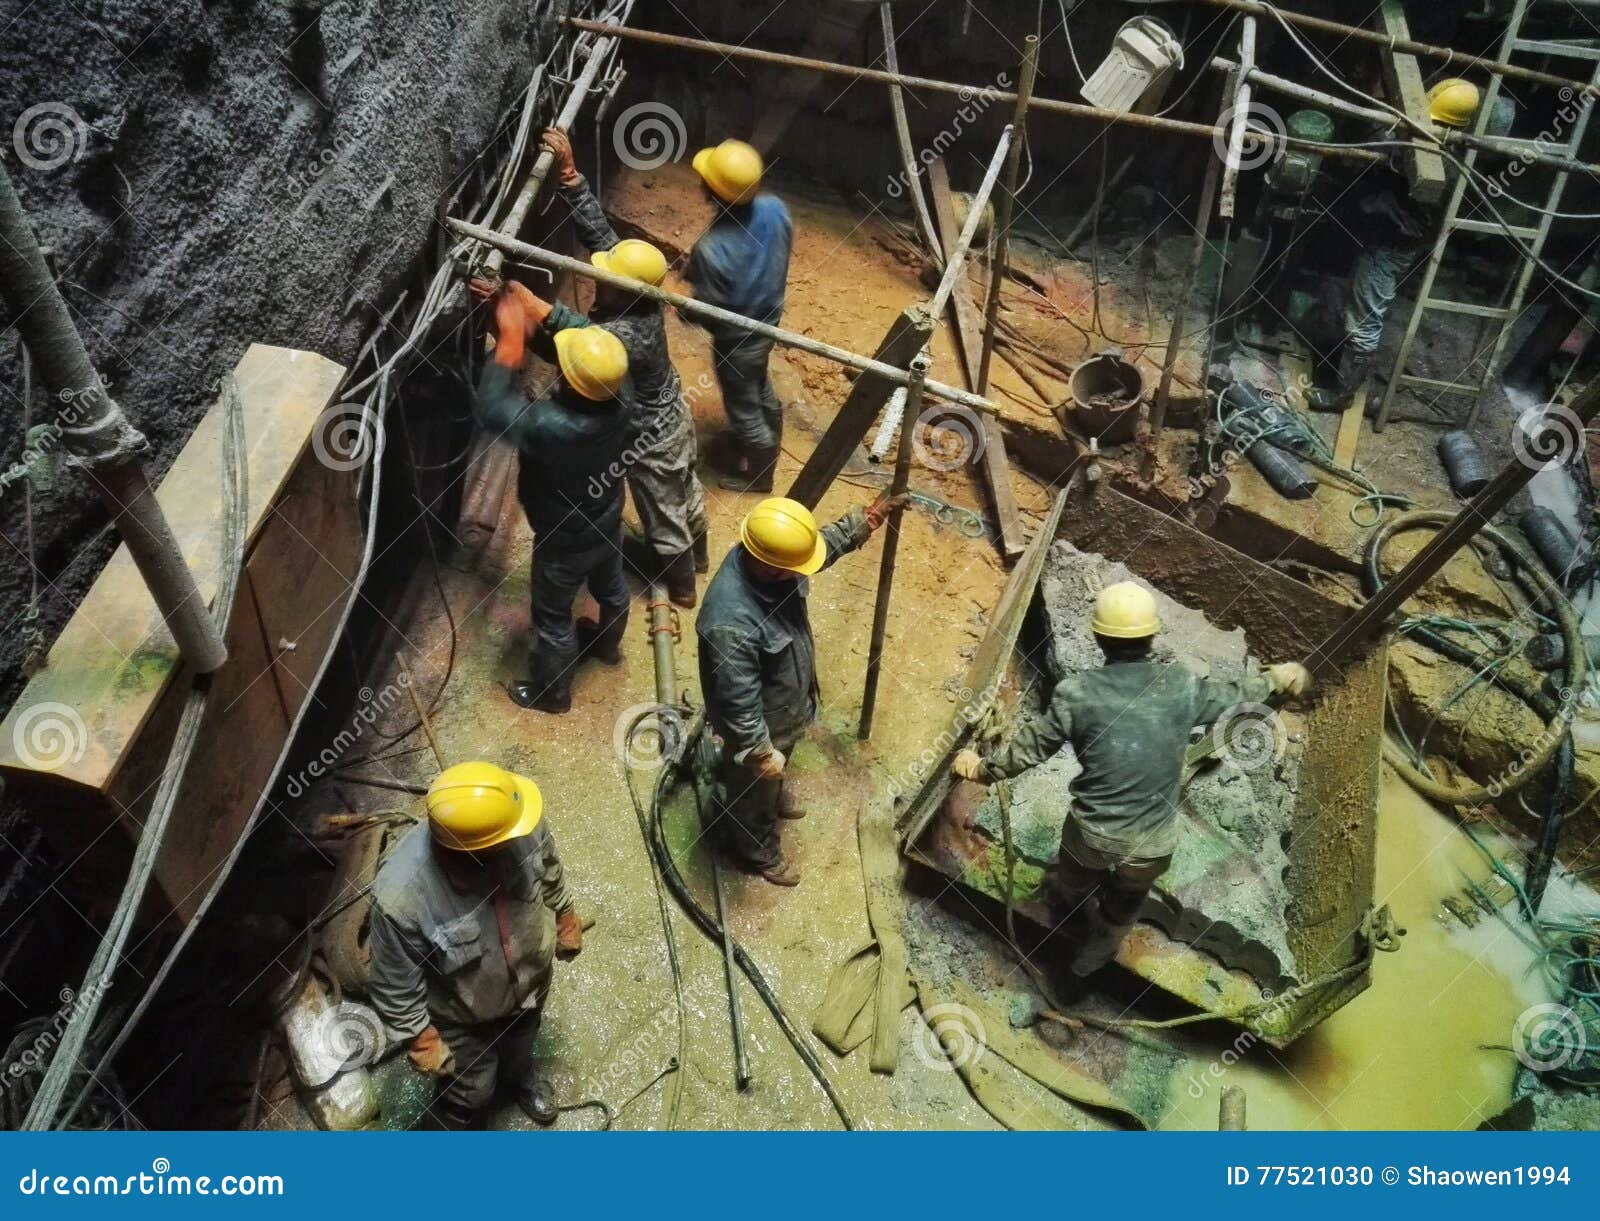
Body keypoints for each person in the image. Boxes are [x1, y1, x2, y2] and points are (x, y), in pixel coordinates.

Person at [952, 581, 1311, 977]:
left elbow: (1029, 751)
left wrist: (980, 769)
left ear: (1098, 636)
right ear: (1152, 636)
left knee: (1071, 877)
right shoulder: (1179, 686)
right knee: (1126, 900)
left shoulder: (1076, 694)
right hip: (1150, 846)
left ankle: (1066, 906)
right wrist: (1277, 681)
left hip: (1091, 835)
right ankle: (1093, 955)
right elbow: (1237, 696)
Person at [697, 493, 904, 885]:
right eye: (794, 570)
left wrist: (865, 521)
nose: (803, 573)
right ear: (770, 567)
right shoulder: (731, 622)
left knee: (776, 770)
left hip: (786, 711)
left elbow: (817, 548)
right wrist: (759, 753)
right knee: (751, 792)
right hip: (761, 726)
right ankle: (755, 849)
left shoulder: (769, 558)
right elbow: (737, 703)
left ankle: (768, 797)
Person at [541, 127, 709, 607]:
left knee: (664, 516)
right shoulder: (640, 288)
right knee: (688, 494)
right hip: (670, 414)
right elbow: (601, 236)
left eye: (605, 278)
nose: (598, 277)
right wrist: (570, 176)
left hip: (650, 438)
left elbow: (573, 336)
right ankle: (698, 557)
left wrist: (526, 310)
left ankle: (683, 589)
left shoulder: (624, 336)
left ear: (628, 290)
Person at [367, 762, 583, 1129]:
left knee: (519, 1052)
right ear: (475, 849)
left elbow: (549, 866)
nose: (520, 838)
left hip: (530, 982)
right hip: (462, 1016)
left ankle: (516, 1080)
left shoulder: (517, 820)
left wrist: (565, 914)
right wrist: (422, 1039)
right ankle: (458, 1118)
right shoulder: (400, 898)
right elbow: (394, 985)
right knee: (473, 1091)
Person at [469, 276, 630, 713]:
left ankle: (552, 694)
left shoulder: (552, 428)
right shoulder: (621, 389)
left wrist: (509, 340)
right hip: (607, 518)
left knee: (553, 619)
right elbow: (596, 348)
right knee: (611, 587)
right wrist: (539, 310)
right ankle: (606, 646)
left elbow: (493, 409)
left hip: (564, 540)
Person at [1307, 78, 1483, 411]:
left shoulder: (1432, 157)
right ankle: (1340, 365)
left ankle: (1340, 395)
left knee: (1365, 319)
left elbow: (1384, 153)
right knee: (1355, 303)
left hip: (1391, 249)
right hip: (1394, 239)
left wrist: (1381, 131)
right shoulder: (1451, 144)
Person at [684, 138, 793, 492]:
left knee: (743, 406)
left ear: (713, 191)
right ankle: (771, 433)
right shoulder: (776, 210)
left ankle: (760, 476)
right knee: (759, 386)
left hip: (736, 343)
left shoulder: (712, 249)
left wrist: (687, 310)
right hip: (768, 324)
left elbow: (709, 311)